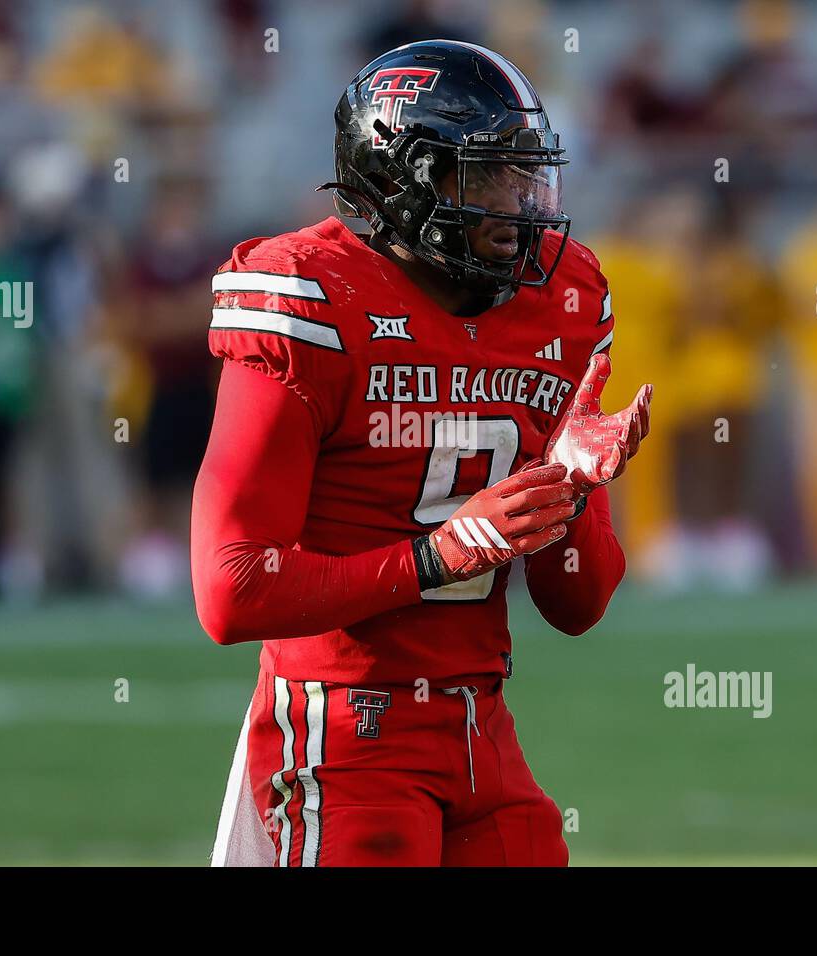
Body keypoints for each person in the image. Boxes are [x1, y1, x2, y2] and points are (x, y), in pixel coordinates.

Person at [193, 40, 651, 867]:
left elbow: (578, 608)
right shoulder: (311, 292)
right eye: (490, 176)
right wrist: (437, 558)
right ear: (404, 178)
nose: (522, 204)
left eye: (527, 173)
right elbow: (229, 590)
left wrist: (570, 490)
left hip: (483, 725)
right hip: (343, 727)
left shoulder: (563, 299)